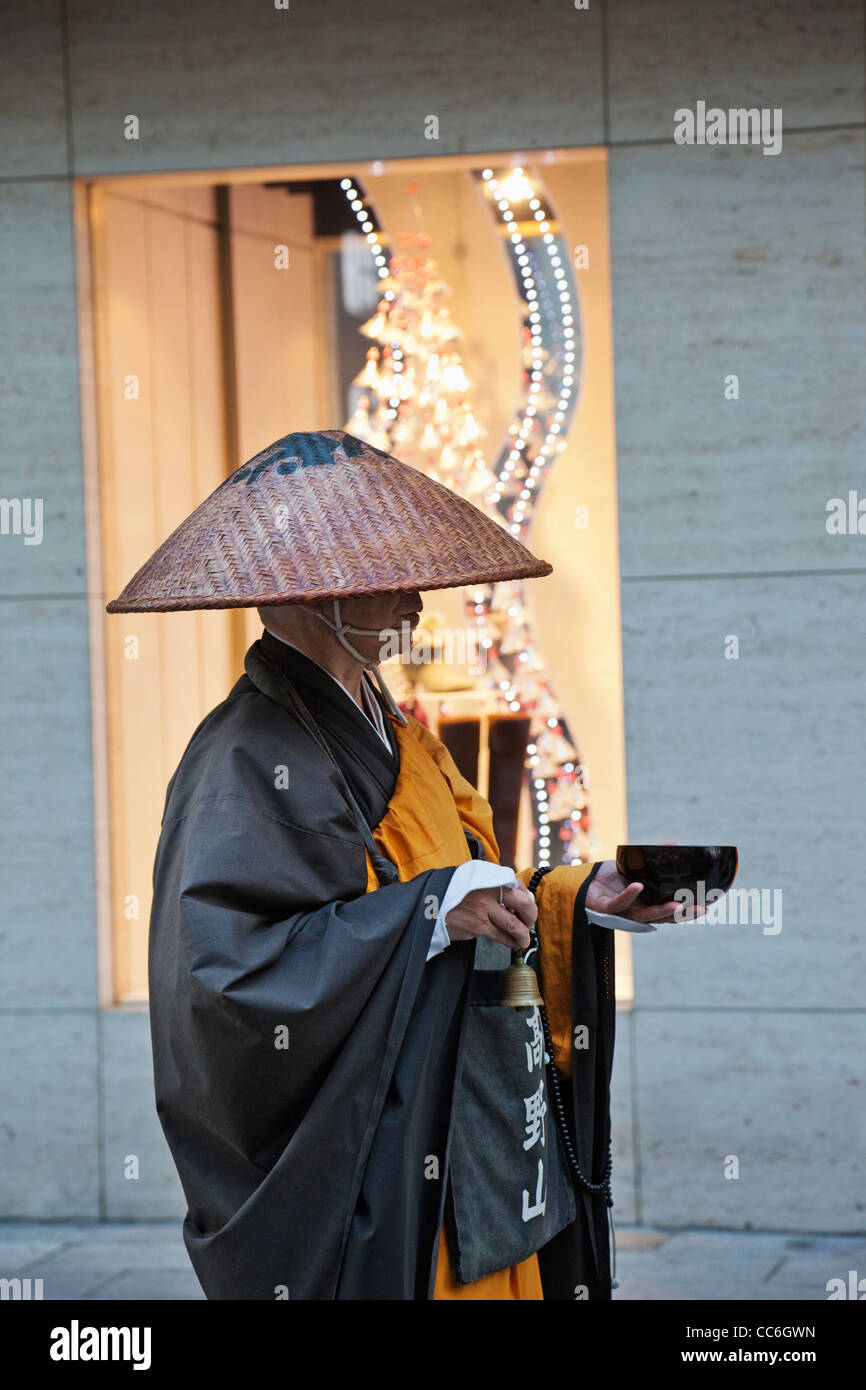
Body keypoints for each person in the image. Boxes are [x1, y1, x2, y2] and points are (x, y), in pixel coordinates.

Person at [107, 429, 695, 1300]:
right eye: (392, 579)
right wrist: (425, 916)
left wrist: (576, 896)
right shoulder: (241, 757)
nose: (418, 604)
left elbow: (458, 882)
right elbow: (226, 977)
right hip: (387, 1140)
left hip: (473, 1115)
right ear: (315, 590)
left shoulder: (396, 726)